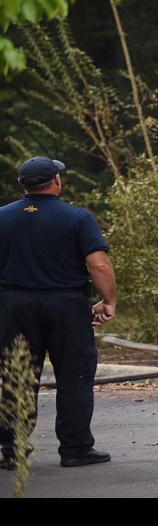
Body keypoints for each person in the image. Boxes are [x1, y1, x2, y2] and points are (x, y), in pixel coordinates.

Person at [0, 156, 117, 470]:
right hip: (66, 304)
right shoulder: (78, 218)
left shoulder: (2, 217)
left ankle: (12, 448)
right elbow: (99, 264)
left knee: (18, 376)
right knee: (74, 375)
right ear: (56, 181)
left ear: (22, 184)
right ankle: (76, 448)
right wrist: (109, 301)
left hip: (15, 304)